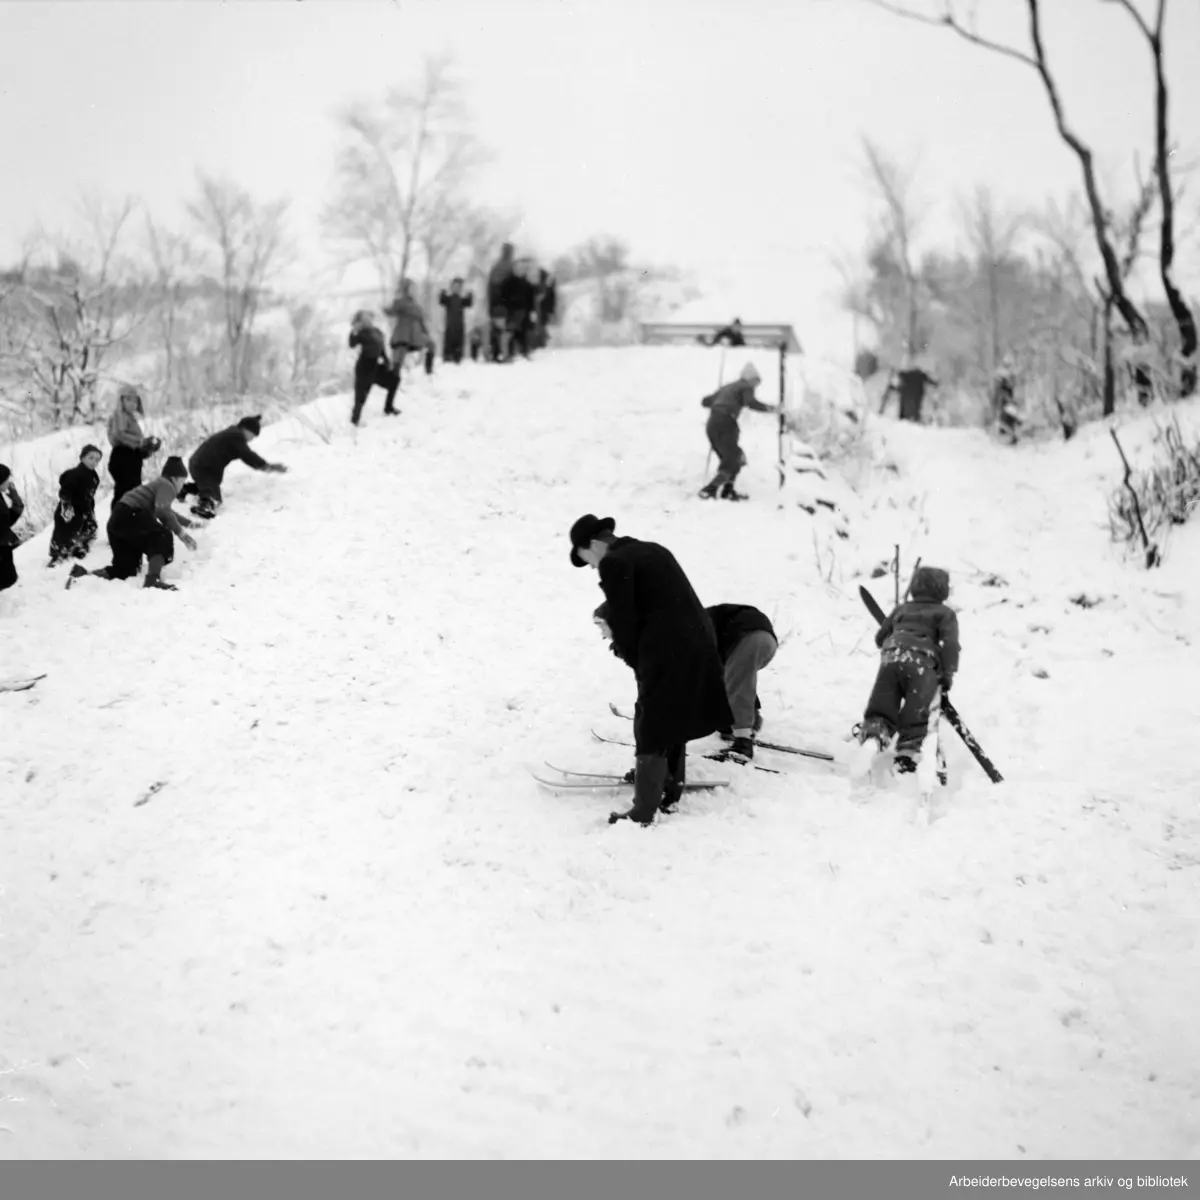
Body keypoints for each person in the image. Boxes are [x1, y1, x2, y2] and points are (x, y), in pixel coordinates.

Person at [570, 513, 732, 826]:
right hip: (699, 641)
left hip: (667, 649)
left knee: (651, 720)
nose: (592, 567)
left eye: (586, 559)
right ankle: (668, 786)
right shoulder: (651, 549)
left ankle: (643, 809)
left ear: (592, 544)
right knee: (671, 716)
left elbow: (625, 620)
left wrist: (631, 657)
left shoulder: (613, 563)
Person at [855, 566, 960, 773]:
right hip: (922, 664)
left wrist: (898, 637)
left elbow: (880, 638)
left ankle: (874, 737)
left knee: (883, 703)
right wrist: (947, 674)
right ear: (943, 590)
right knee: (916, 711)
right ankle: (907, 754)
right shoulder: (945, 614)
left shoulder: (901, 609)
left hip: (892, 657)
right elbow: (950, 645)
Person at [69, 456, 197, 592]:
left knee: (125, 569)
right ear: (175, 478)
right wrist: (182, 534)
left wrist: (189, 523)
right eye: (182, 482)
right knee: (162, 536)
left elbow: (168, 511)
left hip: (118, 520)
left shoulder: (157, 486)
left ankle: (82, 576)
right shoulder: (167, 485)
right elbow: (162, 510)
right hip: (130, 514)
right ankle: (152, 580)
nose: (182, 486)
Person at [177, 415, 287, 520]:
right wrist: (266, 466)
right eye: (253, 435)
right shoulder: (236, 437)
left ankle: (184, 489)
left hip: (199, 464)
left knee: (207, 485)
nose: (252, 439)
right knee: (213, 495)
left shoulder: (233, 434)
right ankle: (204, 507)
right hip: (205, 466)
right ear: (246, 429)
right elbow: (248, 455)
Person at [705, 604, 778, 762]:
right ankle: (743, 725)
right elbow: (738, 681)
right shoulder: (710, 620)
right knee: (737, 679)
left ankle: (742, 745)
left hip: (747, 636)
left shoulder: (694, 626)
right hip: (768, 640)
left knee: (735, 681)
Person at [698, 363, 778, 501]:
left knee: (734, 457)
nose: (755, 387)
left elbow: (705, 402)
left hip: (712, 424)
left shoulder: (727, 387)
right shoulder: (746, 386)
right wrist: (772, 409)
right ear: (751, 378)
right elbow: (751, 403)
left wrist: (719, 398)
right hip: (726, 423)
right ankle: (709, 490)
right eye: (756, 382)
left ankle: (727, 491)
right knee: (734, 458)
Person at [106, 385, 162, 511]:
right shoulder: (119, 415)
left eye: (135, 400)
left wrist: (149, 447)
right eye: (128, 400)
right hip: (122, 457)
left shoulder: (130, 418)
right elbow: (119, 434)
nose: (132, 404)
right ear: (121, 401)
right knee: (125, 492)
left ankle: (128, 520)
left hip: (130, 458)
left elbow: (136, 446)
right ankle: (119, 521)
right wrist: (141, 441)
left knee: (132, 492)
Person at [48, 445, 103, 566]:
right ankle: (58, 556)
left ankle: (78, 547)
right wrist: (67, 506)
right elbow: (65, 492)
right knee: (65, 531)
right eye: (91, 458)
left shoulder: (94, 477)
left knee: (89, 528)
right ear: (82, 458)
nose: (94, 462)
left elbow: (90, 495)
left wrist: (90, 509)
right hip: (71, 507)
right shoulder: (73, 474)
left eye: (97, 460)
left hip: (85, 508)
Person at [348, 310, 400, 424]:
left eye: (368, 317)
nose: (368, 320)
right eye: (364, 318)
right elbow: (352, 344)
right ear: (360, 321)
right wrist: (354, 331)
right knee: (361, 398)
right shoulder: (361, 333)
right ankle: (354, 422)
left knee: (394, 379)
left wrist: (387, 362)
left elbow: (381, 349)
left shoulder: (377, 332)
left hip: (376, 366)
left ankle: (388, 408)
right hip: (364, 367)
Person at [383, 279, 433, 380]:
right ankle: (392, 379)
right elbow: (392, 311)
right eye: (412, 288)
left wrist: (427, 334)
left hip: (415, 336)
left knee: (431, 345)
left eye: (414, 288)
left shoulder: (416, 306)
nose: (414, 291)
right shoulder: (400, 302)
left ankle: (429, 372)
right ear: (406, 289)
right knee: (398, 360)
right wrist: (386, 308)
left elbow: (422, 321)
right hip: (403, 335)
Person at [487, 243, 516, 362]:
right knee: (506, 330)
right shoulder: (509, 267)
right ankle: (506, 354)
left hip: (495, 303)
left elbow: (490, 287)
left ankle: (495, 354)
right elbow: (511, 287)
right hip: (504, 304)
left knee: (497, 330)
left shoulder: (496, 267)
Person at [0, 464, 25, 593]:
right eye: (6, 480)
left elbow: (6, 521)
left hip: (4, 546)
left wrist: (16, 502)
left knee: (8, 579)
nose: (9, 482)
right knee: (7, 579)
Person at [438, 279, 474, 364]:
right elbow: (442, 300)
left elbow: (469, 303)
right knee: (448, 343)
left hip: (459, 326)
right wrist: (442, 293)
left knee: (458, 344)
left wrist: (470, 295)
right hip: (450, 326)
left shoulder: (461, 300)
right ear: (451, 287)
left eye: (458, 287)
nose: (456, 288)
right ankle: (447, 357)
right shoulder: (449, 299)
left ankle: (457, 358)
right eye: (454, 286)